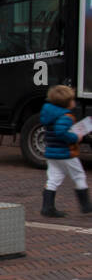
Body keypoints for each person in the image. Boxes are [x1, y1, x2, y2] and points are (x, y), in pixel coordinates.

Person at [39, 84, 90, 217]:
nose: (74, 102)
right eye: (72, 100)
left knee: (53, 178)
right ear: (66, 103)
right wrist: (75, 137)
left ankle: (47, 207)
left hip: (51, 152)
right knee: (79, 175)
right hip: (66, 153)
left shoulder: (50, 113)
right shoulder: (65, 117)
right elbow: (61, 132)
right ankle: (86, 206)